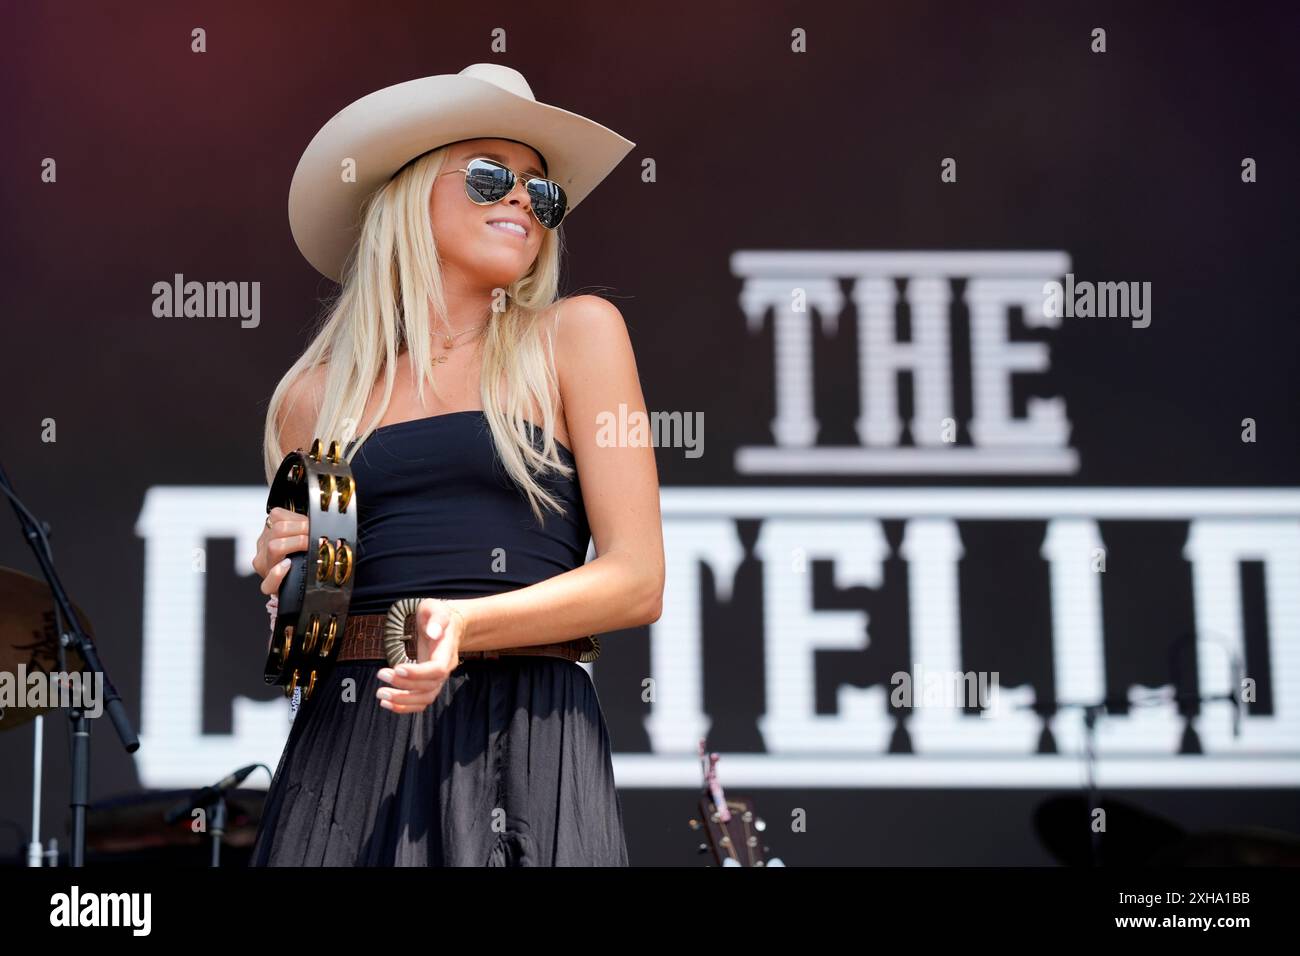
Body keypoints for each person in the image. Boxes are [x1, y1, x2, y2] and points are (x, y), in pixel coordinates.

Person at [247, 64, 663, 866]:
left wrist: (461, 624)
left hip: (526, 733)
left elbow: (638, 577)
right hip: (350, 741)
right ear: (406, 194)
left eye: (541, 193)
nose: (521, 201)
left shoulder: (577, 335)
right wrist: (289, 590)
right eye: (488, 176)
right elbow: (309, 641)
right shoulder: (314, 394)